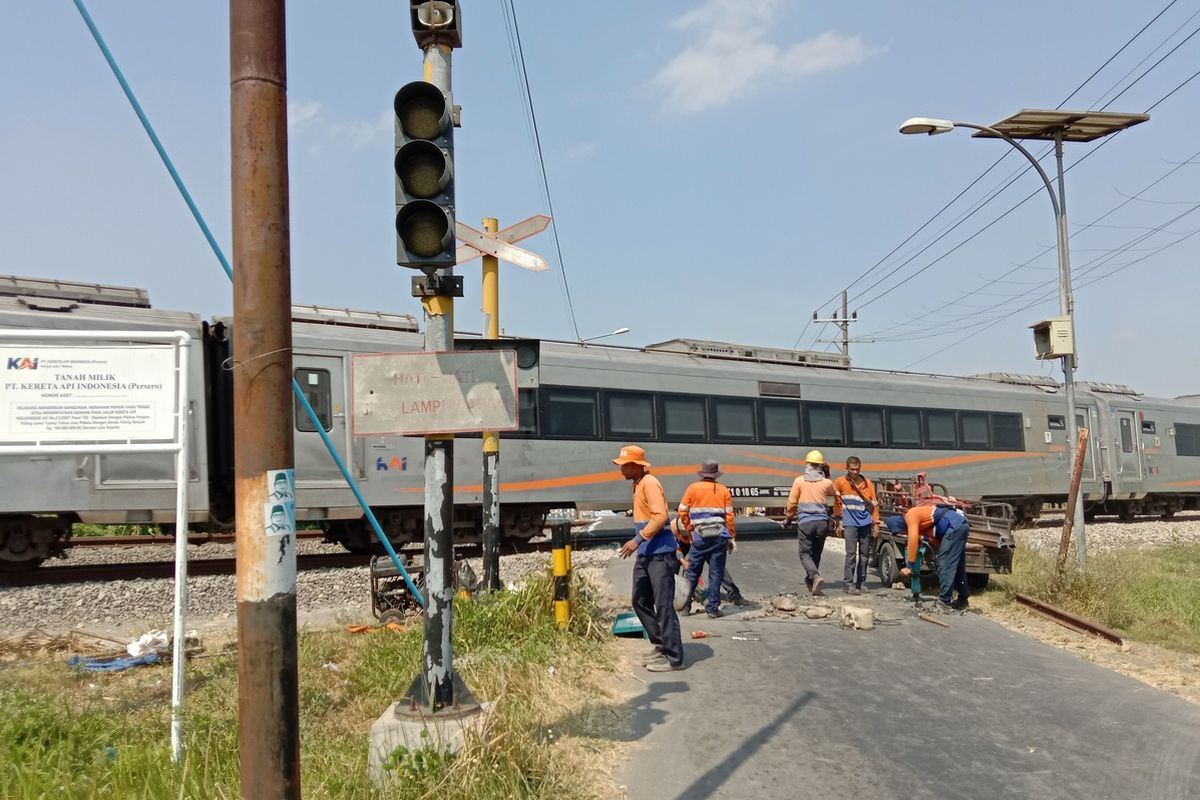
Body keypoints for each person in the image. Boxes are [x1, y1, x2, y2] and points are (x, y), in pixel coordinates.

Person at [614, 445, 686, 672]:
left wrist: (637, 539)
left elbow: (660, 516)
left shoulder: (650, 483)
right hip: (647, 553)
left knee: (663, 605)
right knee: (640, 600)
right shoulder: (638, 485)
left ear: (636, 466)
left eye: (624, 465)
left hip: (660, 553)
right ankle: (661, 643)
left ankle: (675, 659)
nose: (621, 470)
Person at [677, 459, 736, 619]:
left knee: (692, 573)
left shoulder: (692, 488)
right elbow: (729, 516)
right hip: (719, 537)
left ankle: (685, 606)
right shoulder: (723, 490)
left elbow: (682, 511)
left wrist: (690, 528)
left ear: (702, 473)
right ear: (716, 475)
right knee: (716, 573)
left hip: (699, 537)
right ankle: (712, 609)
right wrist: (730, 535)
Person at [899, 503, 971, 610]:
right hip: (960, 525)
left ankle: (945, 600)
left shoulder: (911, 516)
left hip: (954, 526)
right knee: (958, 564)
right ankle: (963, 599)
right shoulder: (923, 522)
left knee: (944, 562)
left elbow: (912, 540)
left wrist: (910, 565)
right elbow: (935, 539)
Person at [784, 450, 837, 596]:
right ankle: (811, 580)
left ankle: (815, 576)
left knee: (804, 553)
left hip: (806, 523)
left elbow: (792, 502)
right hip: (822, 523)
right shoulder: (826, 483)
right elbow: (834, 493)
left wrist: (789, 517)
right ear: (821, 466)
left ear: (807, 464)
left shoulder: (799, 481)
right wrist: (827, 474)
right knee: (816, 552)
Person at [834, 456, 880, 594]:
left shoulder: (868, 484)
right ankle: (848, 583)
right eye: (852, 469)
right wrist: (838, 523)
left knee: (865, 554)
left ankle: (861, 582)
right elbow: (837, 505)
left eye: (857, 469)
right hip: (849, 524)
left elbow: (875, 505)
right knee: (851, 554)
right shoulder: (840, 483)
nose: (855, 472)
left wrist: (876, 523)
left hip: (865, 523)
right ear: (846, 468)